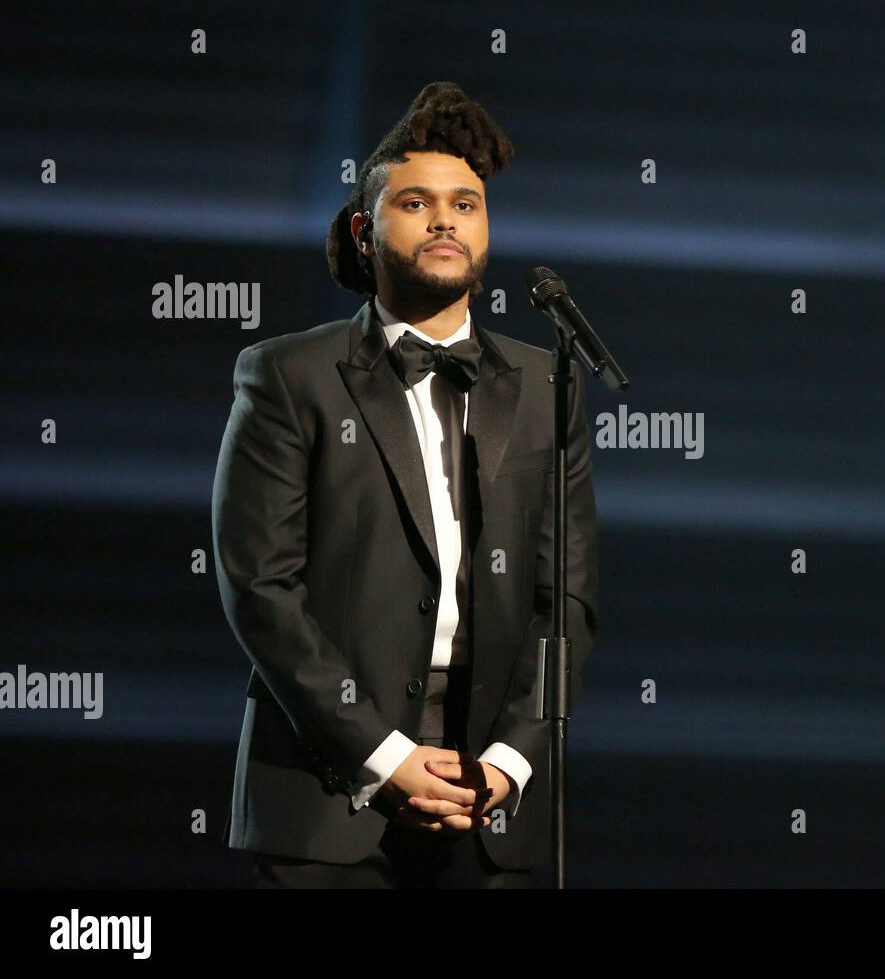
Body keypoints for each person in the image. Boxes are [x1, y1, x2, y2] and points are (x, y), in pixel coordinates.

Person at [211, 81, 599, 888]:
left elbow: (566, 601)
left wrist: (510, 761)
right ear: (365, 229)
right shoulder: (287, 375)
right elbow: (261, 589)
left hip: (491, 807)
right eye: (416, 202)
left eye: (467, 203)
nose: (445, 218)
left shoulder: (546, 384)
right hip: (327, 797)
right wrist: (384, 757)